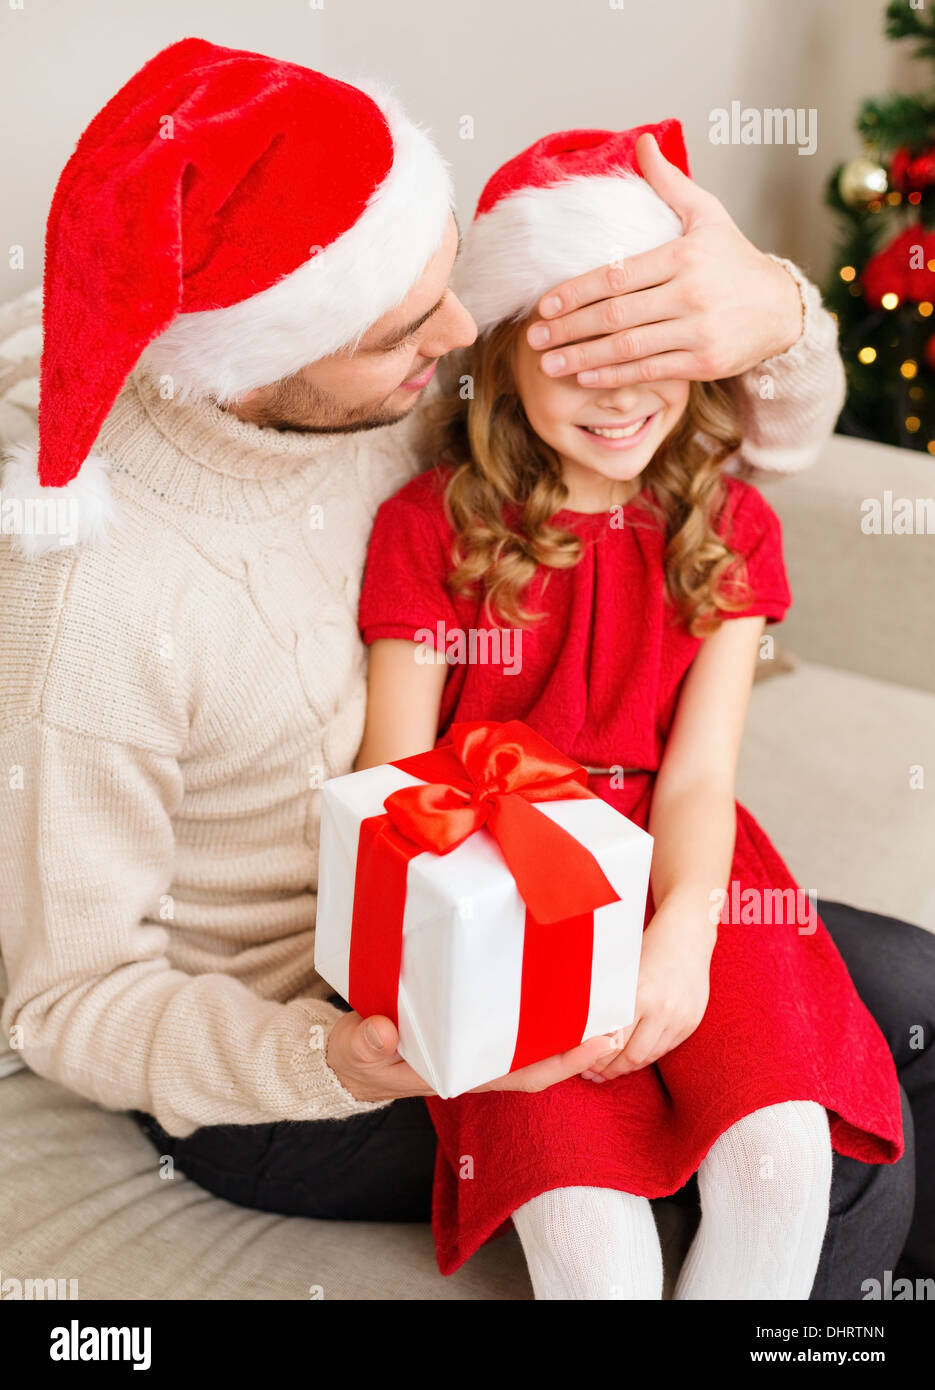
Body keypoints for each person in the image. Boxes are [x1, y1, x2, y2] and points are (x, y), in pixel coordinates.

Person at [0, 39, 928, 1300]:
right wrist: (347, 1054)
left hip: (569, 866)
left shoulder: (406, 394)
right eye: (404, 330)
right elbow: (70, 1005)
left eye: (448, 276)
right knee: (841, 1152)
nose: (459, 329)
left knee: (911, 1005)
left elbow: (743, 429)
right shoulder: (98, 607)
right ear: (270, 359)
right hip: (308, 1028)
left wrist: (774, 305)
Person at [353, 122, 904, 1299]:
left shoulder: (730, 528)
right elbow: (395, 782)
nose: (619, 396)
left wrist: (680, 934)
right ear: (498, 359)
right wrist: (478, 960)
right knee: (588, 1236)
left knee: (778, 1160)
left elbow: (700, 777)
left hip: (683, 861)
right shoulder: (427, 529)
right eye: (574, 356)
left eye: (646, 349)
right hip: (499, 884)